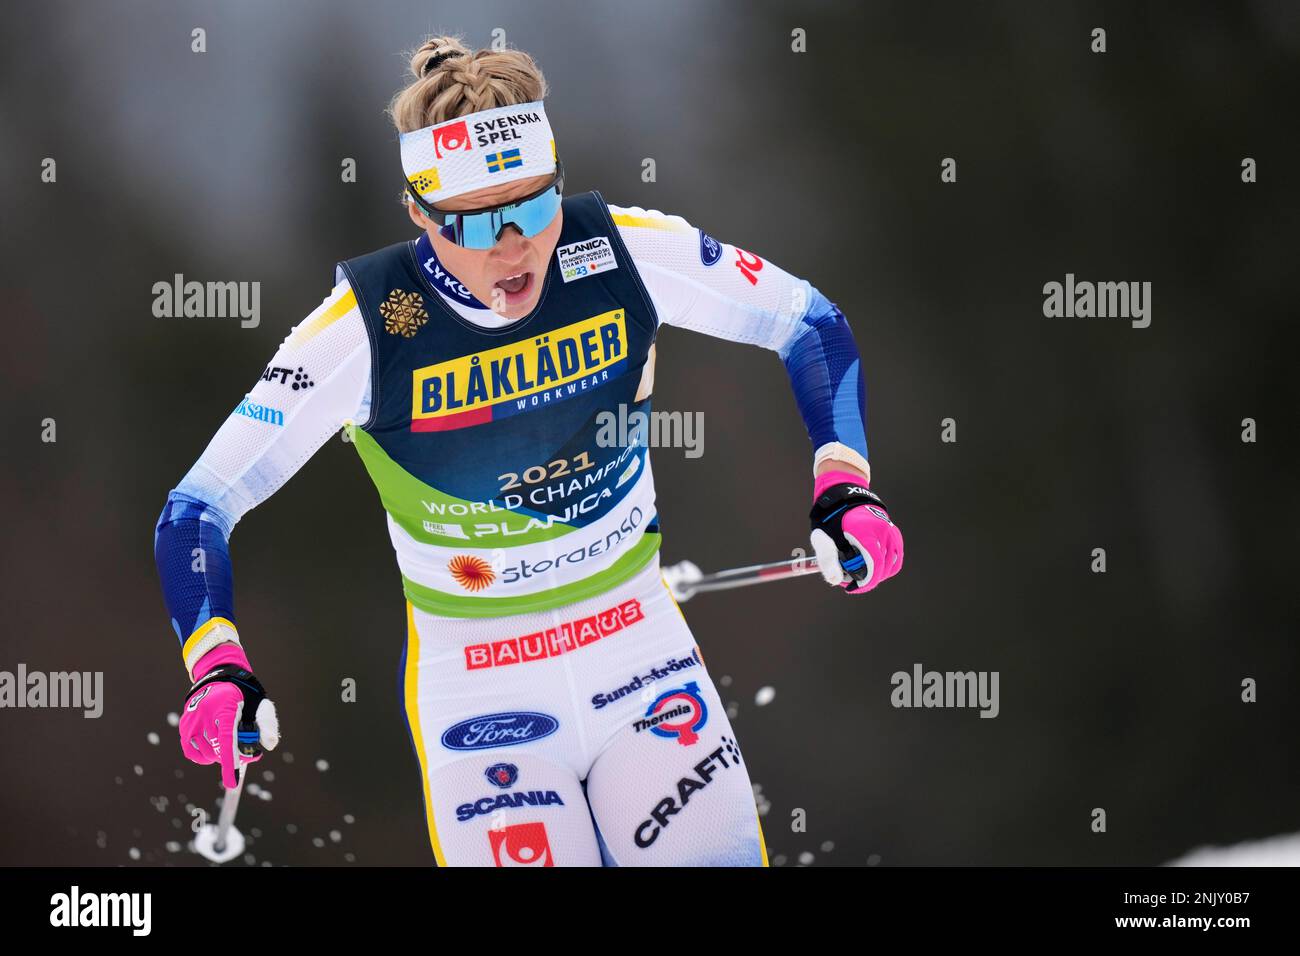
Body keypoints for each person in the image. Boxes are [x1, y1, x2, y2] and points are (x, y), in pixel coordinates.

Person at [154, 35, 904, 867]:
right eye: (479, 222)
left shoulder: (617, 251)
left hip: (640, 655)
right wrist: (215, 663)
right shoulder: (365, 329)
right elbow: (197, 508)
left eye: (535, 207)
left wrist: (845, 486)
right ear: (420, 213)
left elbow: (811, 324)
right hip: (478, 691)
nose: (515, 247)